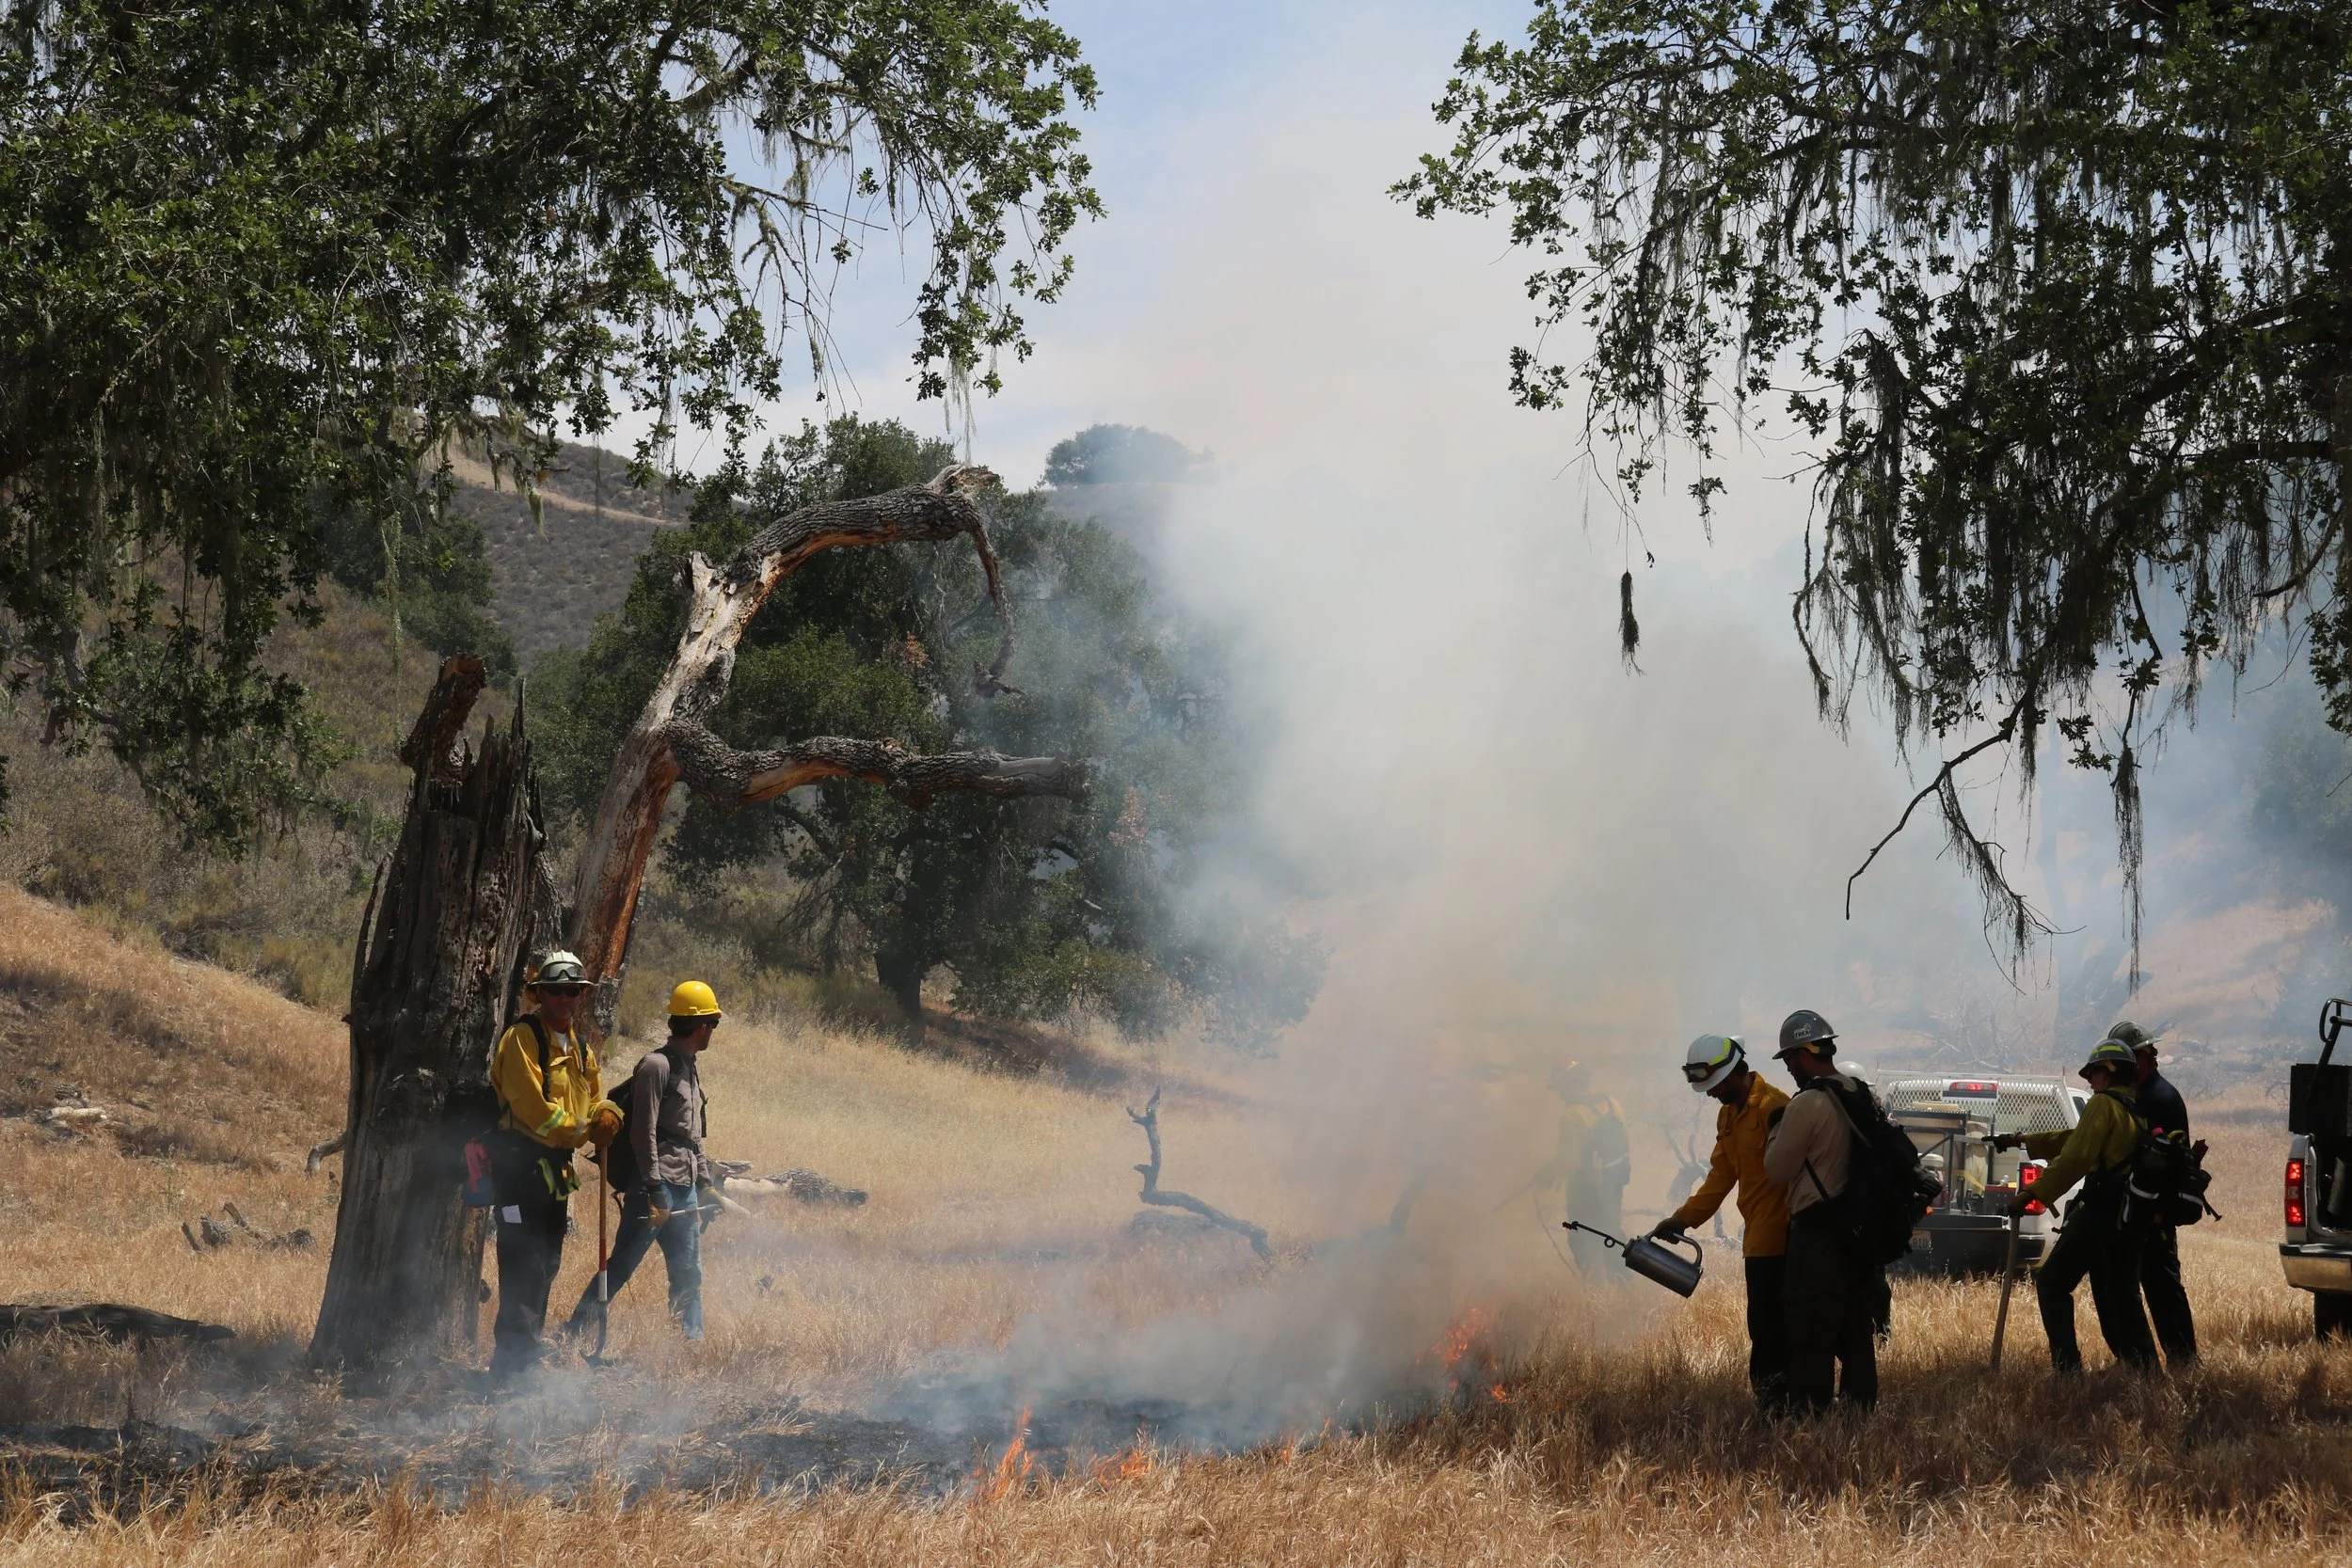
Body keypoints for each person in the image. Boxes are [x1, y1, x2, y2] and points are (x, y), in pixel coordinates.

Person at [487, 950, 619, 1382]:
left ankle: (526, 1353)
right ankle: (510, 1362)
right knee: (521, 1262)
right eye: (556, 991)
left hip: (555, 1171)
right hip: (518, 1168)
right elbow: (532, 1108)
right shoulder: (522, 1039)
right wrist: (583, 1131)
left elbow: (595, 1096)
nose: (565, 999)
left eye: (574, 991)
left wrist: (607, 1115)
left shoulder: (580, 1047)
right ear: (539, 993)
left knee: (546, 1262)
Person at [566, 980, 723, 1342]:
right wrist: (653, 1189)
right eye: (712, 1023)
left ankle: (690, 1340)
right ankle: (573, 1332)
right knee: (621, 1265)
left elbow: (692, 1135)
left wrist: (705, 1184)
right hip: (655, 1188)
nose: (712, 1031)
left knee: (688, 1271)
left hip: (684, 1188)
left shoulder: (689, 1066)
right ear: (701, 1026)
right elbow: (643, 1132)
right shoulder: (657, 1066)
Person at [1994, 1035, 2160, 1375]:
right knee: (2124, 1294)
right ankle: (2145, 1369)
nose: (2089, 1080)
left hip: (2100, 1213)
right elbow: (2076, 1137)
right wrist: (2021, 1140)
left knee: (2052, 1282)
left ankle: (2067, 1370)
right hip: (2128, 1219)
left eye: (2094, 1072)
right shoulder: (2132, 1111)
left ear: (2110, 1071)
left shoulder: (2102, 1105)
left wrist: (2032, 1194)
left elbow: (2077, 1156)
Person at [1649, 1034, 1791, 1411]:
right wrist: (1682, 1219)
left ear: (1733, 1073)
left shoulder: (1774, 1107)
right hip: (1758, 1239)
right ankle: (1772, 1403)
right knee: (1762, 1326)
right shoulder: (1729, 1114)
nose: (1710, 1093)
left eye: (1714, 1085)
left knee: (1780, 1327)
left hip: (1788, 1240)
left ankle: (1790, 1404)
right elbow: (1720, 1176)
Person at [1761, 1008, 1882, 1416]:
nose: (1790, 1068)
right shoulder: (1860, 1092)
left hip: (1817, 1237)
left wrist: (1776, 1129)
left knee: (1809, 1330)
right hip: (1860, 1235)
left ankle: (1809, 1421)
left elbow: (1775, 1170)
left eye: (1790, 1058)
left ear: (1805, 1052)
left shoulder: (1807, 1103)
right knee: (1856, 1333)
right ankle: (1858, 1417)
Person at [2108, 1022, 2199, 1368]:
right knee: (2138, 1283)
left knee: (2162, 1285)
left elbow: (2164, 1160)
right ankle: (2138, 1359)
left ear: (2143, 1058)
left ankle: (2183, 1360)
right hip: (2144, 1204)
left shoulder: (2158, 1098)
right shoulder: (2145, 1094)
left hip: (2156, 1208)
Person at [1537, 1060, 1631, 1282]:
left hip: (1586, 1189)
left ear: (1570, 1084)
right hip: (1614, 1183)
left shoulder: (1571, 1115)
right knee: (1611, 1234)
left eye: (1561, 1087)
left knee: (1581, 1238)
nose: (1560, 1094)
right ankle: (1624, 1283)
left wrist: (1546, 1175)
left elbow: (1567, 1160)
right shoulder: (1611, 1103)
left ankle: (1595, 1291)